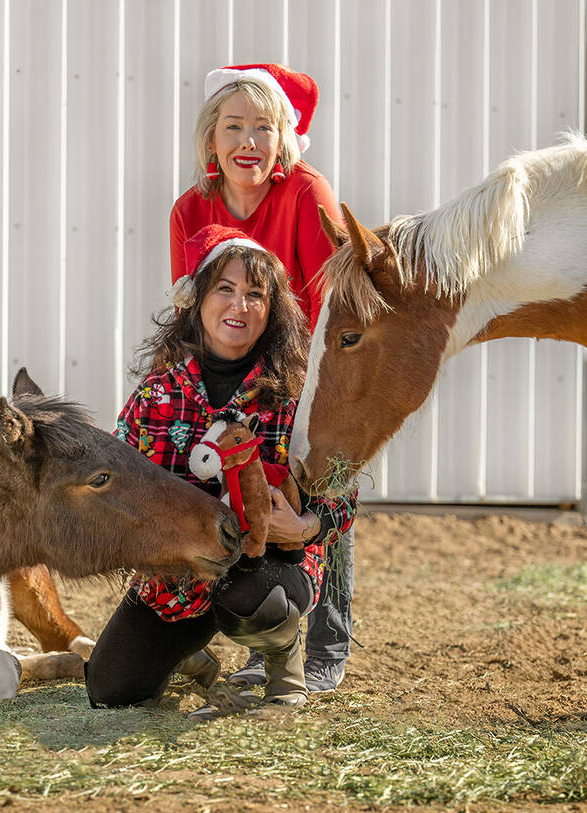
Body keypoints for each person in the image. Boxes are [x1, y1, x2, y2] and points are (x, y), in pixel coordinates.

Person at [85, 225, 355, 712]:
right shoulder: (156, 396)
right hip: (178, 577)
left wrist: (307, 525)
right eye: (225, 290)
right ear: (197, 300)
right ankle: (189, 655)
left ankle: (283, 660)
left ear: (273, 310)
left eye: (255, 294)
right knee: (111, 691)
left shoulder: (298, 397)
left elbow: (344, 495)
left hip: (265, 567)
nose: (240, 305)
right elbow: (115, 485)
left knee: (252, 604)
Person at [170, 63, 354, 692]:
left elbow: (332, 306)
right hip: (226, 370)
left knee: (314, 492)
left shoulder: (306, 193)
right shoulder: (190, 208)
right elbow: (190, 309)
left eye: (262, 128)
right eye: (233, 127)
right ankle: (227, 632)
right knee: (227, 495)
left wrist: (300, 395)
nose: (248, 141)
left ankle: (327, 642)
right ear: (210, 139)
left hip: (299, 366)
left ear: (283, 140)